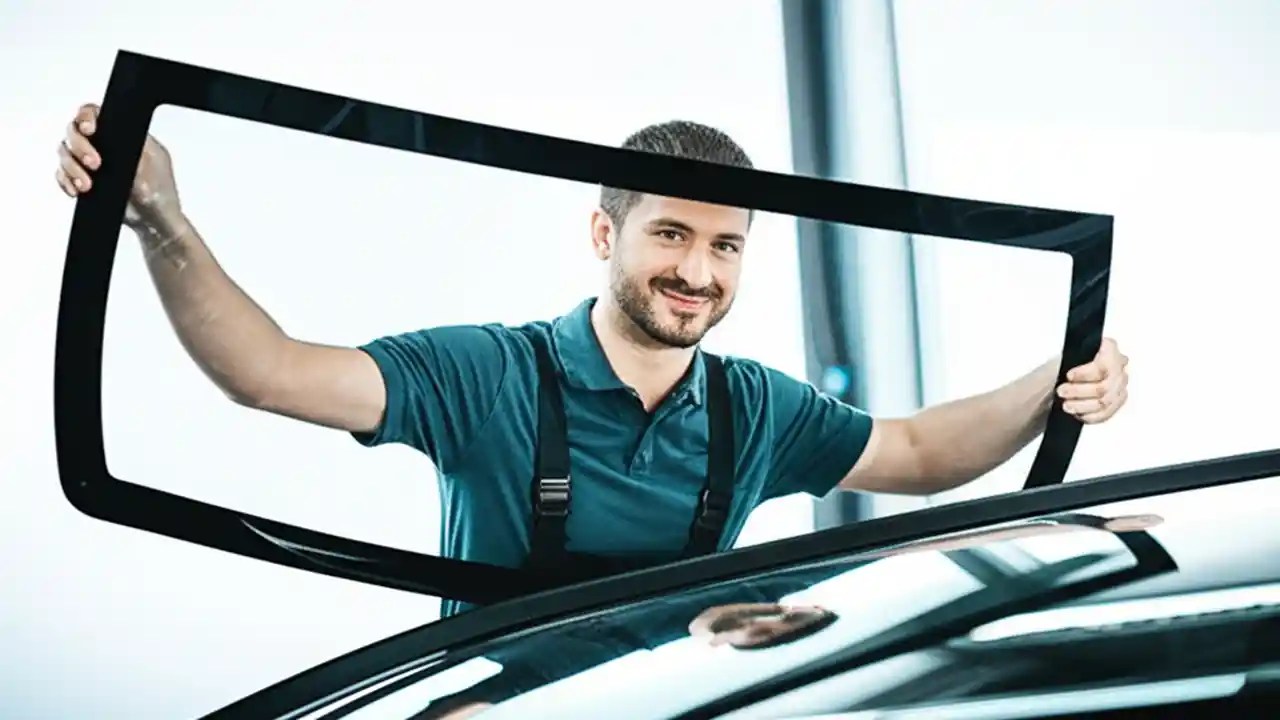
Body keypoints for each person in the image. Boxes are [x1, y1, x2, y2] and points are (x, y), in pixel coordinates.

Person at [54, 102, 1131, 620]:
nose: (697, 272)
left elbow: (918, 452)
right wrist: (156, 217)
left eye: (725, 246)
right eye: (671, 234)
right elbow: (269, 371)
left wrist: (1053, 382)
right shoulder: (485, 376)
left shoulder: (755, 410)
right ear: (604, 234)